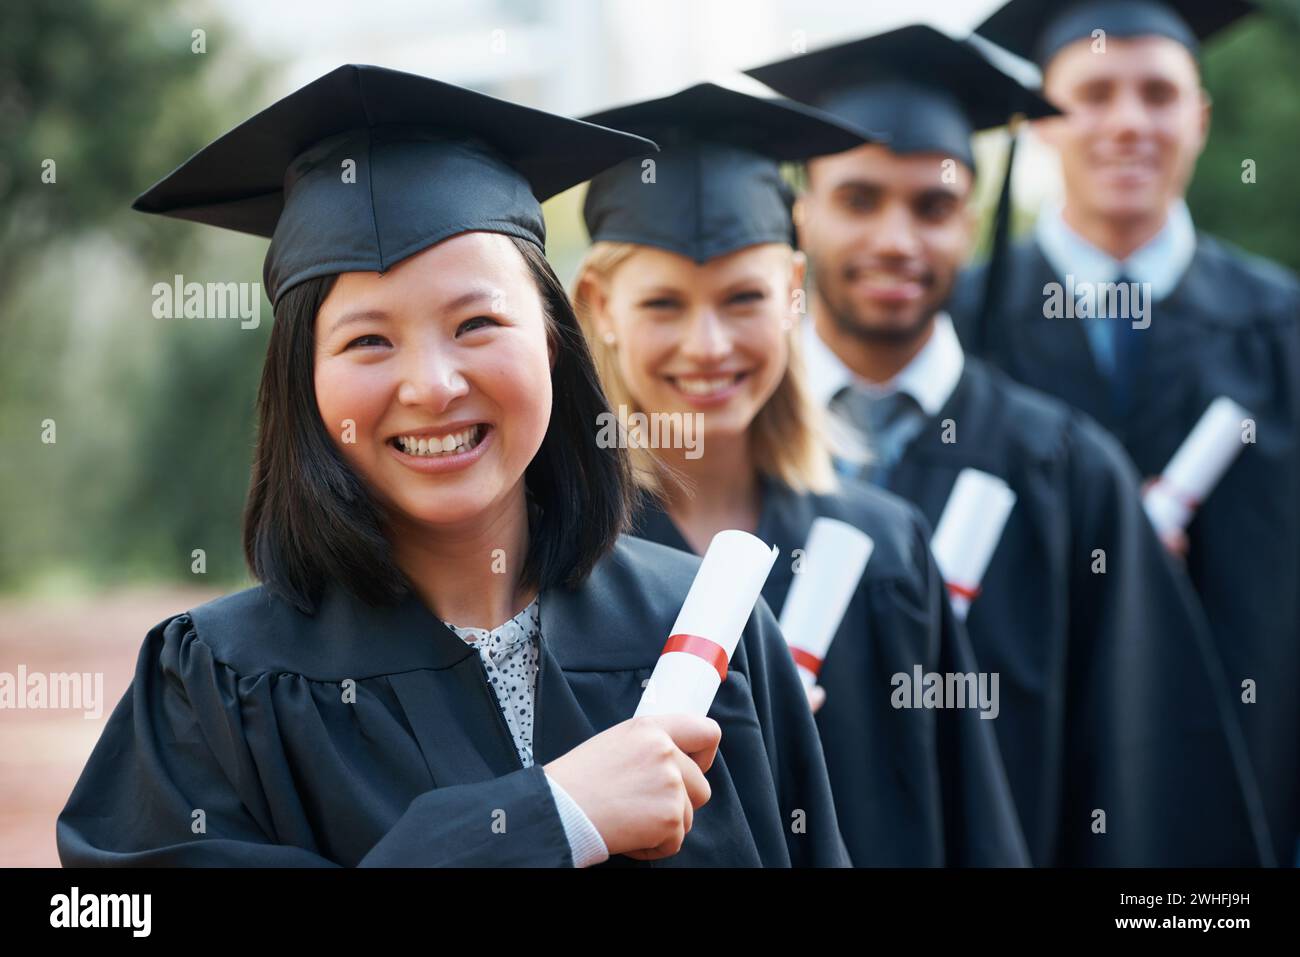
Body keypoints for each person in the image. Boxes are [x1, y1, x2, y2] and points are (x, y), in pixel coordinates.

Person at [55, 65, 849, 868]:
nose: (433, 386)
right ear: (304, 381)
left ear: (554, 340)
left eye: (476, 323)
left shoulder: (706, 629)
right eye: (368, 340)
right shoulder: (218, 687)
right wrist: (550, 816)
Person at [747, 24, 1272, 865]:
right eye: (858, 199)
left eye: (934, 205)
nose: (896, 240)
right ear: (799, 212)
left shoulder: (1063, 466)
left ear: (973, 220)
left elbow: (1148, 769)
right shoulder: (716, 462)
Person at [572, 81, 1028, 866]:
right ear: (600, 305)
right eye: (664, 305)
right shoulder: (565, 570)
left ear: (792, 292)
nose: (709, 345)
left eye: (744, 298)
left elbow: (970, 825)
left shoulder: (882, 547)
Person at [950, 0, 1300, 867]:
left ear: (1201, 118)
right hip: (1024, 782)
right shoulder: (961, 324)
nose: (1129, 122)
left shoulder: (1284, 327)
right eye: (1095, 93)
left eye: (1158, 93)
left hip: (1254, 785)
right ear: (1039, 122)